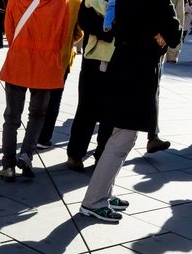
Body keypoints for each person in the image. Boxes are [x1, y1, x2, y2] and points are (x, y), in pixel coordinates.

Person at [78, 0, 180, 221]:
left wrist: (158, 36)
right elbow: (174, 33)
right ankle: (94, 201)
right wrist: (160, 37)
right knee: (122, 139)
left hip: (121, 63)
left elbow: (115, 24)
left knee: (121, 135)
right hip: (139, 72)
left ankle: (105, 192)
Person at [0, 0, 70, 181]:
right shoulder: (62, 3)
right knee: (37, 115)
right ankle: (26, 155)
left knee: (12, 117)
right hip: (46, 63)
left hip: (19, 59)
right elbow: (63, 35)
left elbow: (9, 27)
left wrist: (20, 45)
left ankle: (8, 165)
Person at [64, 0, 114, 171]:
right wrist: (108, 31)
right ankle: (75, 154)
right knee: (86, 107)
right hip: (94, 58)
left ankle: (102, 156)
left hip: (118, 60)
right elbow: (84, 20)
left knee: (110, 112)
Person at [36, 0, 83, 148]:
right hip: (61, 57)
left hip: (40, 55)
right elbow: (79, 32)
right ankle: (44, 138)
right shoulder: (76, 2)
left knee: (37, 99)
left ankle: (33, 134)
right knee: (55, 98)